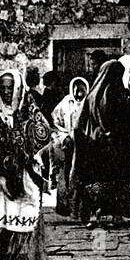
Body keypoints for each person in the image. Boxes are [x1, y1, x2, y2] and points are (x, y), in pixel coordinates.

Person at [0, 67, 50, 260]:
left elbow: (42, 133)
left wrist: (25, 148)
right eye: (3, 88)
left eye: (11, 88)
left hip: (23, 174)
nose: (7, 92)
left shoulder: (28, 109)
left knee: (21, 217)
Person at [71, 59, 130, 225]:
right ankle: (117, 215)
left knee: (96, 181)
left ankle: (94, 215)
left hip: (93, 145)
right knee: (116, 180)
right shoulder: (116, 92)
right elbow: (125, 120)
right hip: (114, 145)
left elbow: (80, 122)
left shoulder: (92, 95)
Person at [52, 76, 89, 216]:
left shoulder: (90, 102)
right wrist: (64, 137)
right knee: (66, 174)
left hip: (85, 146)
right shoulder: (65, 104)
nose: (78, 92)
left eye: (81, 89)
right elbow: (56, 124)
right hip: (69, 145)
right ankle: (66, 207)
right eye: (75, 88)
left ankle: (80, 210)